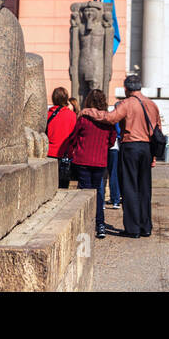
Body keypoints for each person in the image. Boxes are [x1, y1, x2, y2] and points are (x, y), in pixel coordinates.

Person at [81, 74, 162, 238]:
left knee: (129, 187)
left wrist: (89, 111)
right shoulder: (152, 104)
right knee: (145, 189)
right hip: (147, 148)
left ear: (126, 88)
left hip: (131, 146)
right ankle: (146, 226)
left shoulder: (127, 103)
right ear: (140, 87)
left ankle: (133, 228)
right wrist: (153, 156)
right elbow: (158, 130)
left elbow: (110, 118)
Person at [62, 89, 117, 239]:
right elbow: (112, 141)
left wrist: (72, 150)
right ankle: (100, 225)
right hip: (99, 161)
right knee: (97, 191)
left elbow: (74, 137)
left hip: (83, 159)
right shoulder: (108, 121)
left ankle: (84, 224)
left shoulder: (83, 118)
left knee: (84, 192)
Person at [46, 87, 77, 190]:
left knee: (48, 187)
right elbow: (74, 137)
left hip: (49, 154)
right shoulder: (72, 115)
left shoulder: (48, 114)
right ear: (66, 99)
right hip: (64, 154)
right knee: (62, 188)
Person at [106, 112, 122, 208]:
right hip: (115, 147)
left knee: (108, 174)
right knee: (113, 173)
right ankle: (115, 199)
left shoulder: (112, 118)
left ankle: (112, 199)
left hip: (108, 147)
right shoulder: (118, 119)